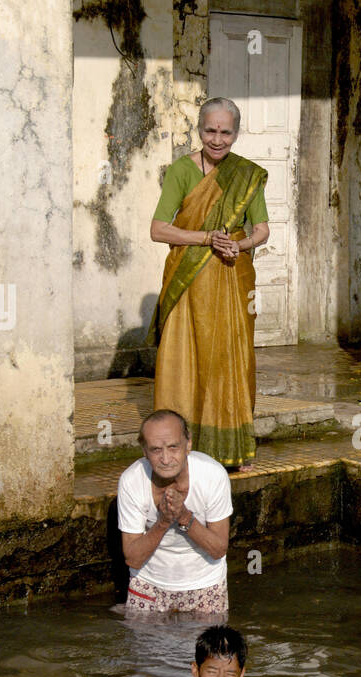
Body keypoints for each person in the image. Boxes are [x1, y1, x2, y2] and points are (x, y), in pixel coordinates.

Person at [148, 97, 270, 472]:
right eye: (210, 131)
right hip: (189, 280)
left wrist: (239, 243)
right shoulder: (182, 171)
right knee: (185, 361)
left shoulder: (246, 174)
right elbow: (158, 229)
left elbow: (262, 230)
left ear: (235, 133)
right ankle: (178, 450)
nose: (217, 139)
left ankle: (231, 447)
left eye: (225, 132)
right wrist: (207, 239)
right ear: (199, 130)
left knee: (227, 360)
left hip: (230, 278)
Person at [118, 409, 232, 620]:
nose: (166, 459)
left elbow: (218, 549)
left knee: (208, 653)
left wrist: (184, 516)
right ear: (144, 451)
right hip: (148, 585)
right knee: (144, 651)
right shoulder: (131, 481)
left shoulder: (213, 475)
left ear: (188, 444)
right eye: (156, 450)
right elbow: (132, 558)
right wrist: (162, 522)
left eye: (173, 447)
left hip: (206, 585)